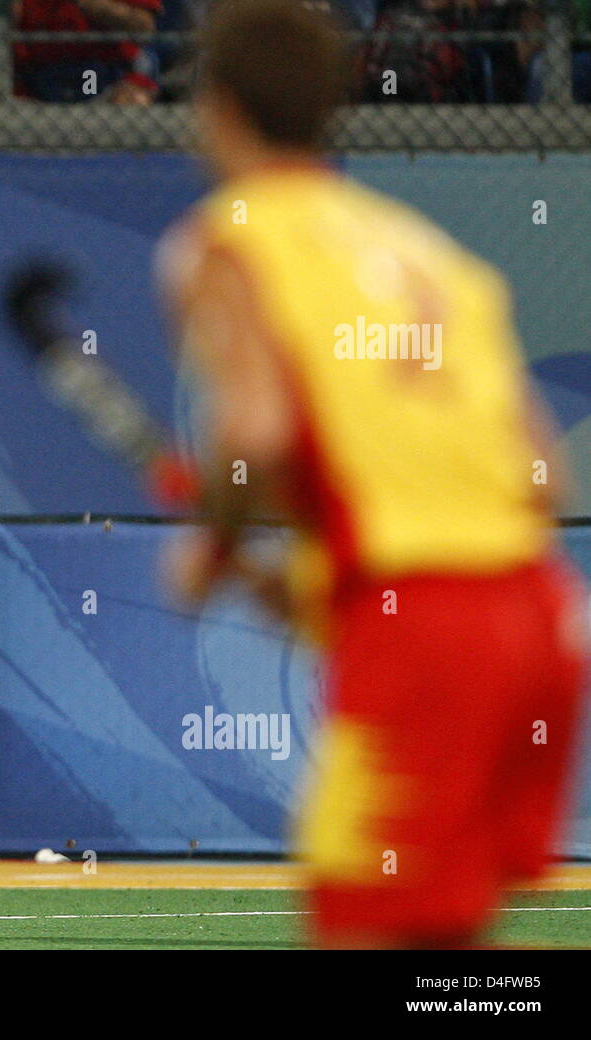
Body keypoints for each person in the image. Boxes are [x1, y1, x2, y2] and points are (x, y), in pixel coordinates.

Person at [157, 0, 587, 948]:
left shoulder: (227, 243)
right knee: (447, 958)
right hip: (542, 620)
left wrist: (213, 548)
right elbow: (541, 475)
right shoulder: (425, 249)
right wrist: (327, 579)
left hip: (429, 631)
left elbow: (254, 433)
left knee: (364, 932)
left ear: (218, 105)